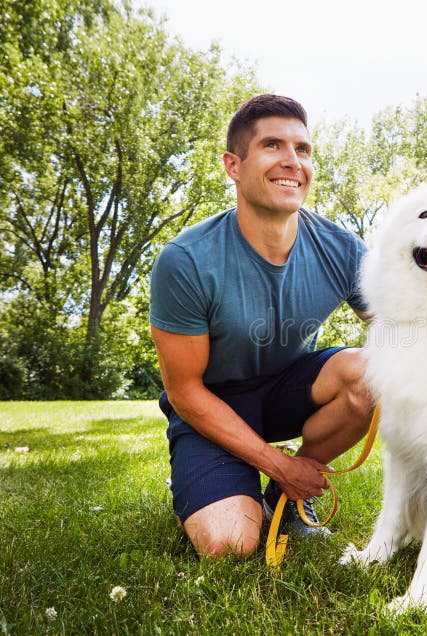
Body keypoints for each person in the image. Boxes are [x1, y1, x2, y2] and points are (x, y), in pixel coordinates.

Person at [149, 94, 373, 558]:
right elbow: (186, 392)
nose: (292, 162)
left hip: (286, 392)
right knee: (229, 545)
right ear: (234, 165)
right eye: (273, 145)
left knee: (369, 371)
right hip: (211, 407)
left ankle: (287, 502)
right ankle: (207, 474)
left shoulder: (342, 248)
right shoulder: (186, 260)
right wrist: (275, 461)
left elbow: (408, 327)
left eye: (303, 149)